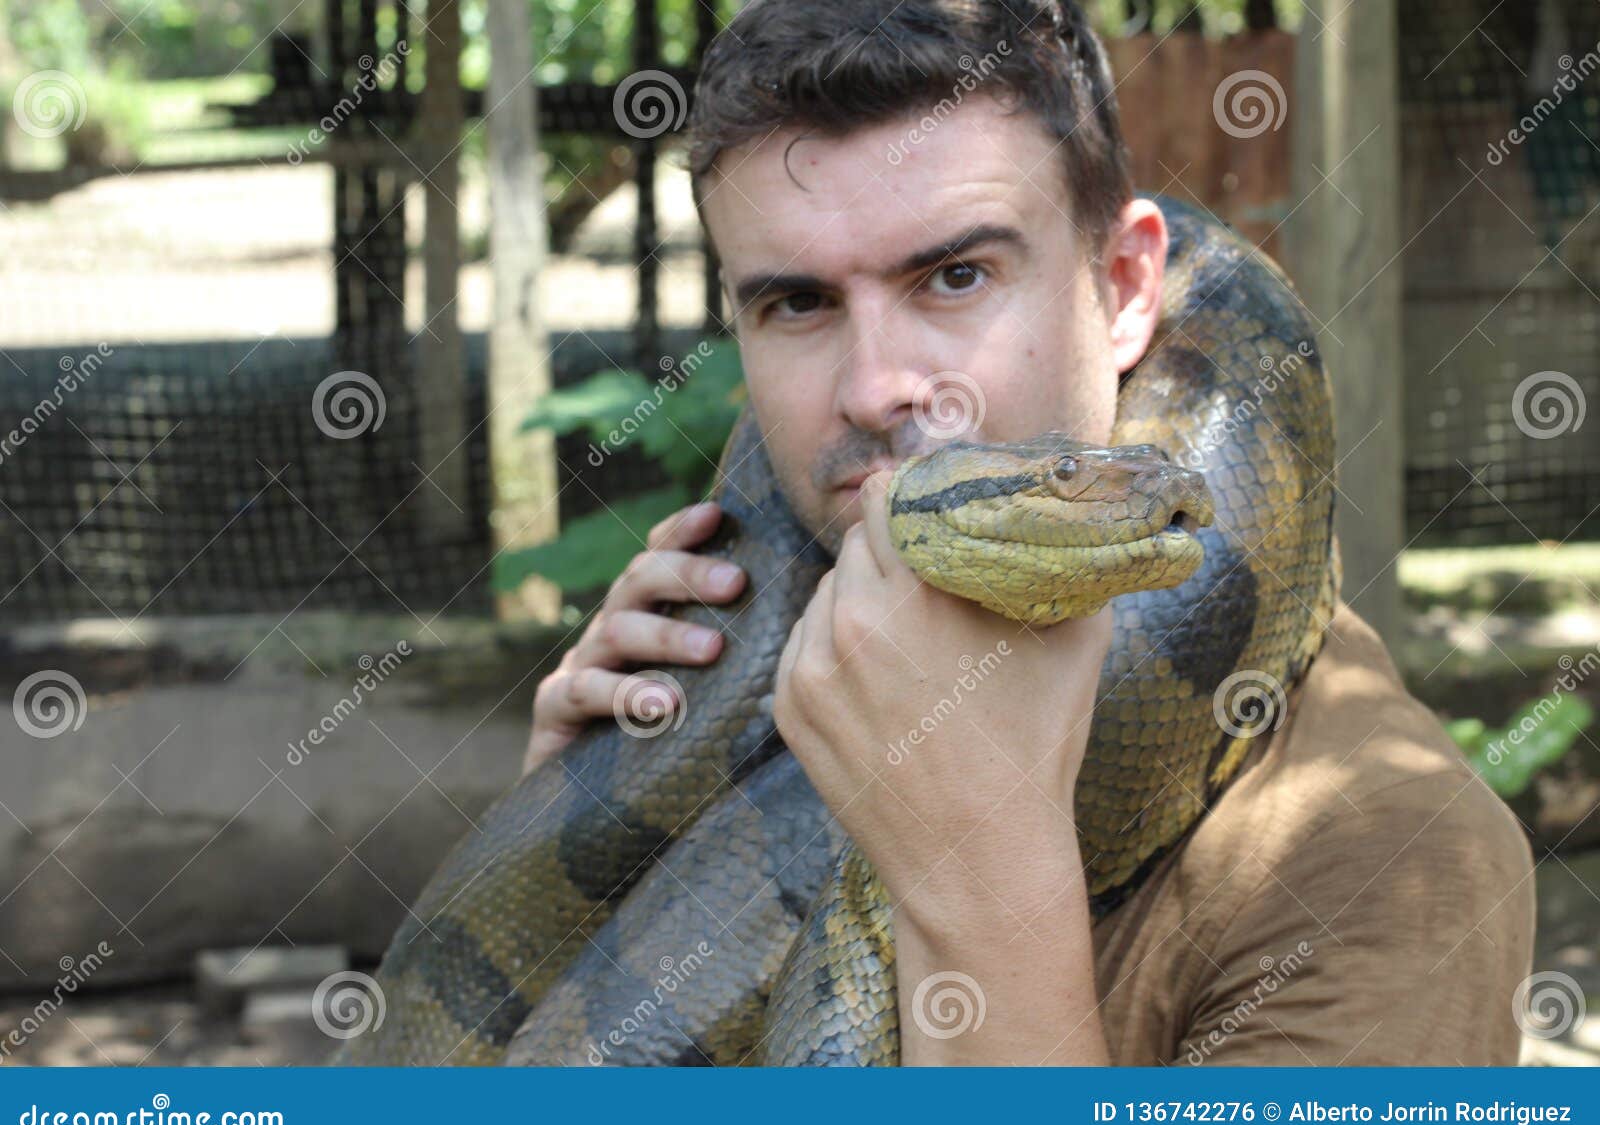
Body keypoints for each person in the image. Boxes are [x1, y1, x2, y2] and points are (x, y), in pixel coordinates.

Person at [524, 0, 1535, 1066]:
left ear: (1125, 288)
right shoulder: (718, 698)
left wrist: (982, 877)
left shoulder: (1384, 863)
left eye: (955, 275)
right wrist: (566, 860)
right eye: (798, 304)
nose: (874, 389)